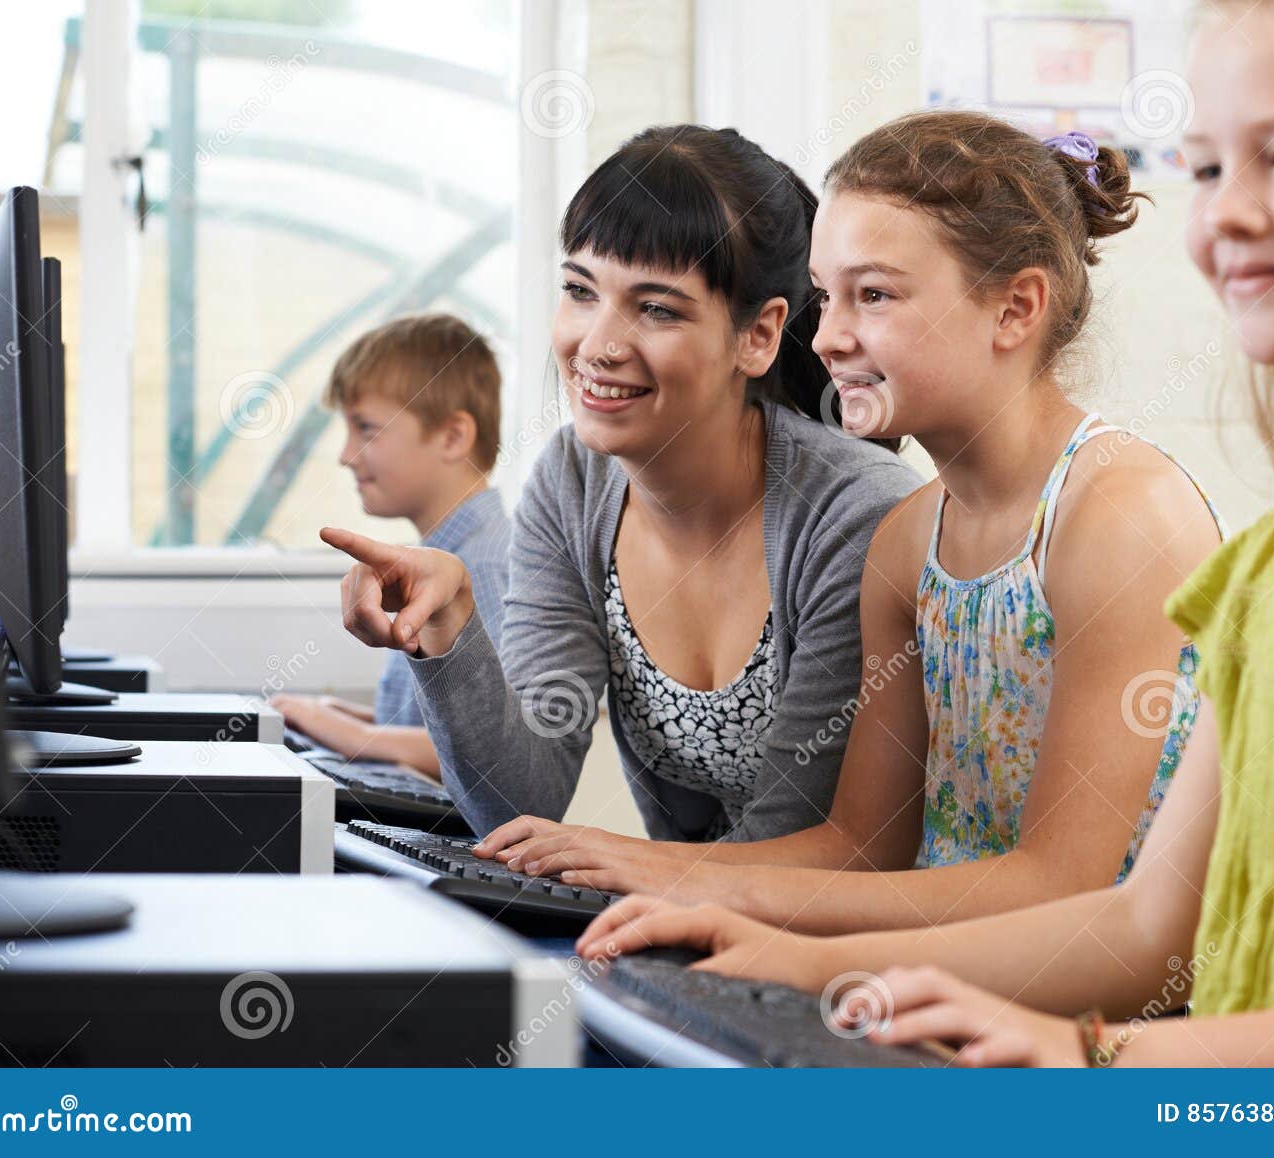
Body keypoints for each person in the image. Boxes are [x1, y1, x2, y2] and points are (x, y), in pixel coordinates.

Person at [580, 0, 1274, 1067]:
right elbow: (1144, 929)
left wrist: (1092, 1056)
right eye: (1206, 168)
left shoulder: (1164, 522)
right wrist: (790, 960)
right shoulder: (1267, 565)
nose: (1229, 210)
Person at [477, 109, 1223, 936]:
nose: (827, 338)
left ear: (1016, 309)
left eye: (873, 296)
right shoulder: (904, 542)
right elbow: (858, 850)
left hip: (1111, 1000)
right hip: (942, 975)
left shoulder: (1118, 516)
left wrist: (683, 882)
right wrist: (654, 877)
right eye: (825, 297)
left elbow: (1060, 892)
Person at [324, 125, 921, 841]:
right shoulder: (572, 483)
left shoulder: (854, 516)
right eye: (580, 291)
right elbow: (517, 802)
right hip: (682, 904)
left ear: (758, 335)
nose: (598, 345)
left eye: (657, 308)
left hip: (848, 913)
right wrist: (449, 631)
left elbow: (799, 845)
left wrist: (612, 862)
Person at [272, 313, 509, 777]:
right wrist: (337, 717)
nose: (346, 455)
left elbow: (489, 753)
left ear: (452, 437)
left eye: (365, 428)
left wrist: (349, 735)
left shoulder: (485, 566)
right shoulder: (451, 553)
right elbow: (435, 725)